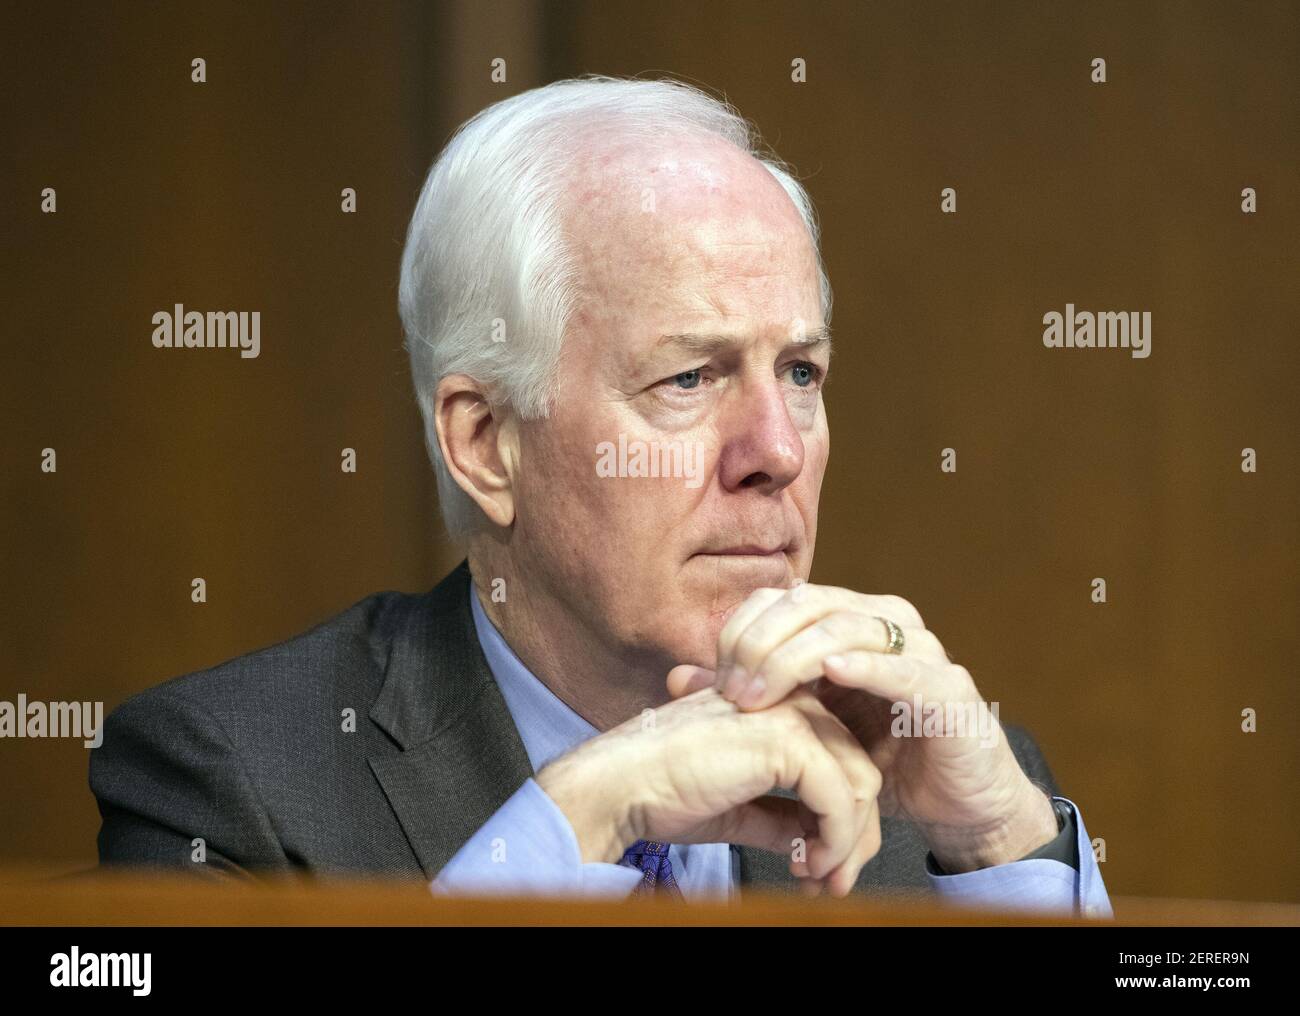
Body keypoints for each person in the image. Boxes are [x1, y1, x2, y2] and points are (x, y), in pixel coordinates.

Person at [91, 76, 1110, 916]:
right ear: (486, 443)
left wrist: (1000, 845)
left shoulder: (929, 791)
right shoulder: (232, 779)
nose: (775, 452)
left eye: (799, 371)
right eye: (689, 378)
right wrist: (576, 824)